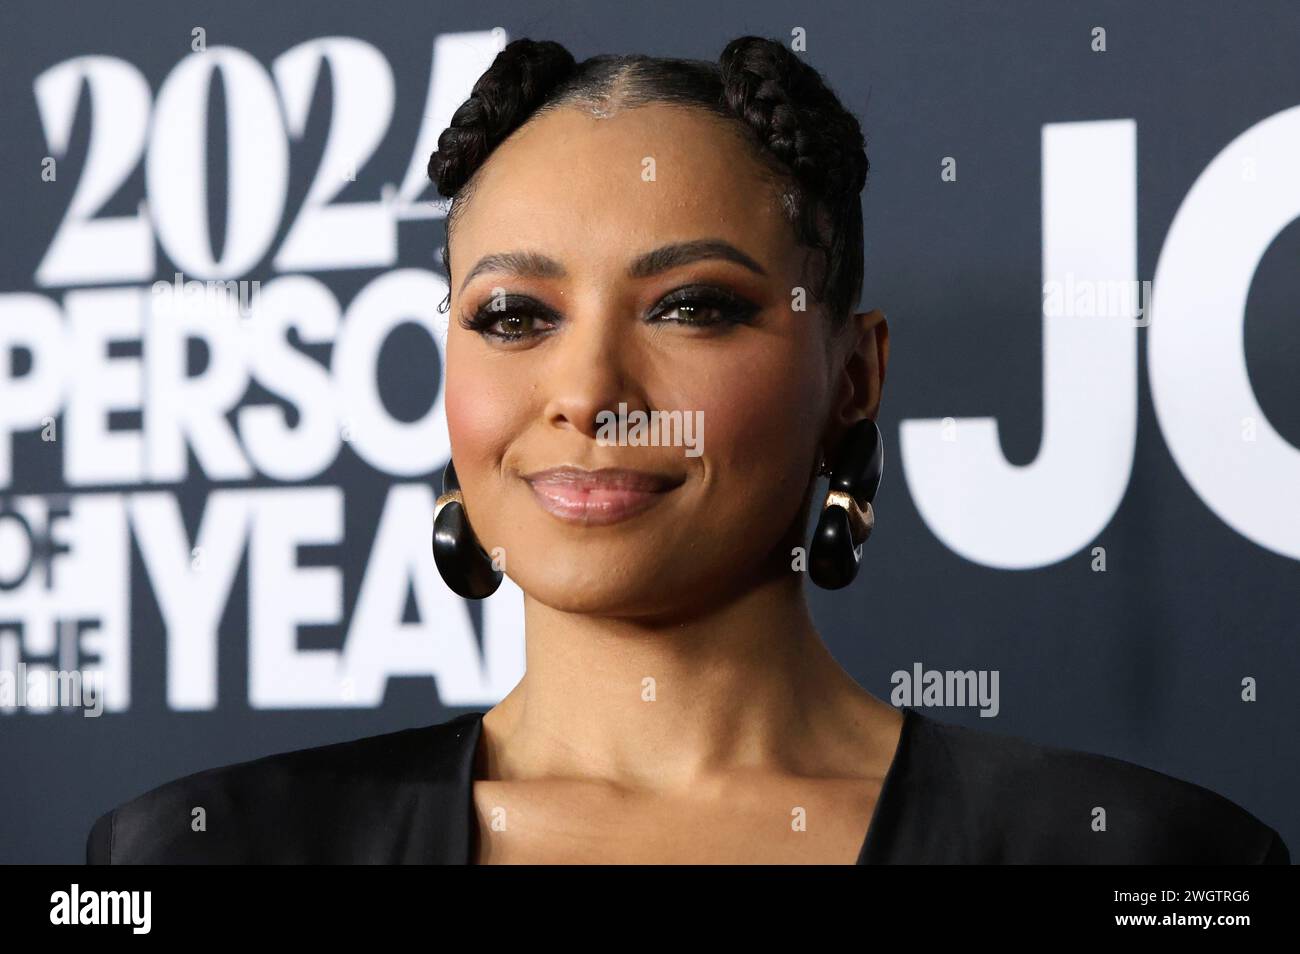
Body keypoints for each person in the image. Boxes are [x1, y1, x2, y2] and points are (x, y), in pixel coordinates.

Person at [86, 35, 1288, 865]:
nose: (590, 391)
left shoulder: (1141, 859)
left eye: (692, 306)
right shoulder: (203, 850)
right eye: (513, 316)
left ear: (854, 375)